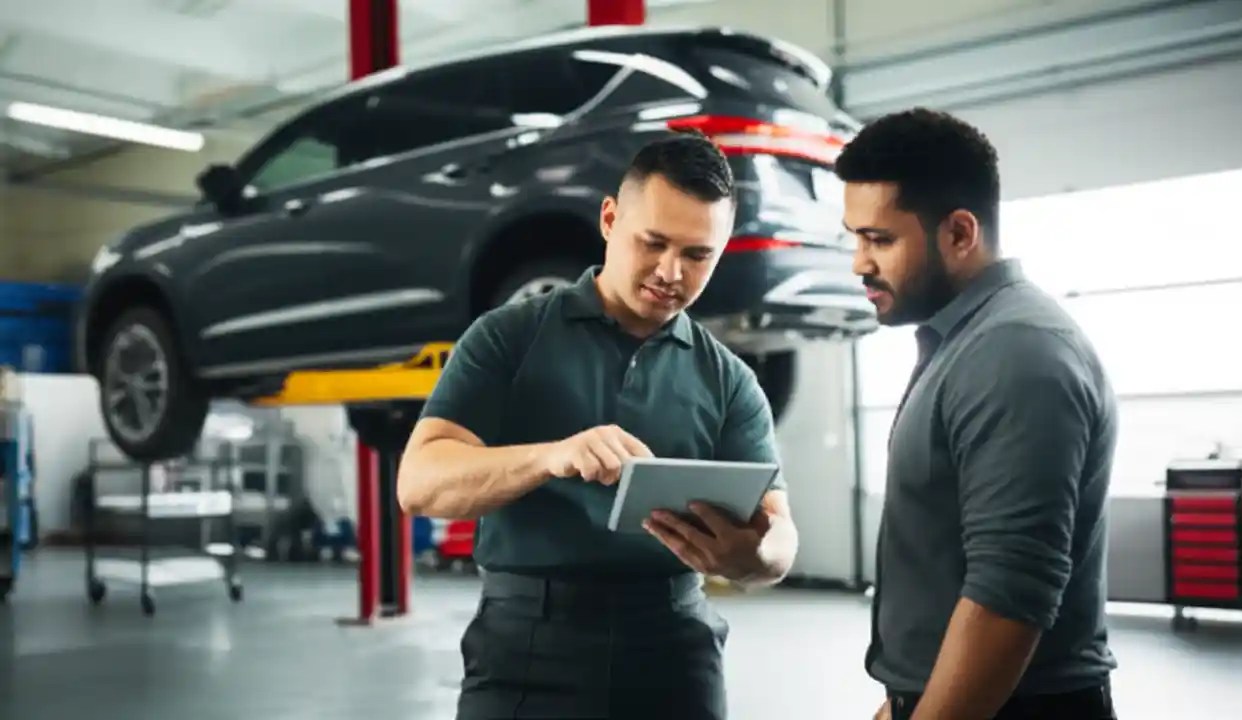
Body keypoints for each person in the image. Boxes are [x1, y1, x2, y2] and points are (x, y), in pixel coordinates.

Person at [397, 132, 799, 720]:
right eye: (654, 242)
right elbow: (419, 483)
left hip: (675, 648)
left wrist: (753, 553)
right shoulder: (508, 336)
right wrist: (549, 457)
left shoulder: (729, 379)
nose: (671, 272)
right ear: (610, 219)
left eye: (697, 255)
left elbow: (781, 537)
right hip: (528, 643)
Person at [836, 108, 1120, 720]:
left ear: (960, 234)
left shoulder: (1016, 352)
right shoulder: (968, 342)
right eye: (854, 237)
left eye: (879, 239)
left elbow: (1006, 601)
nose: (859, 262)